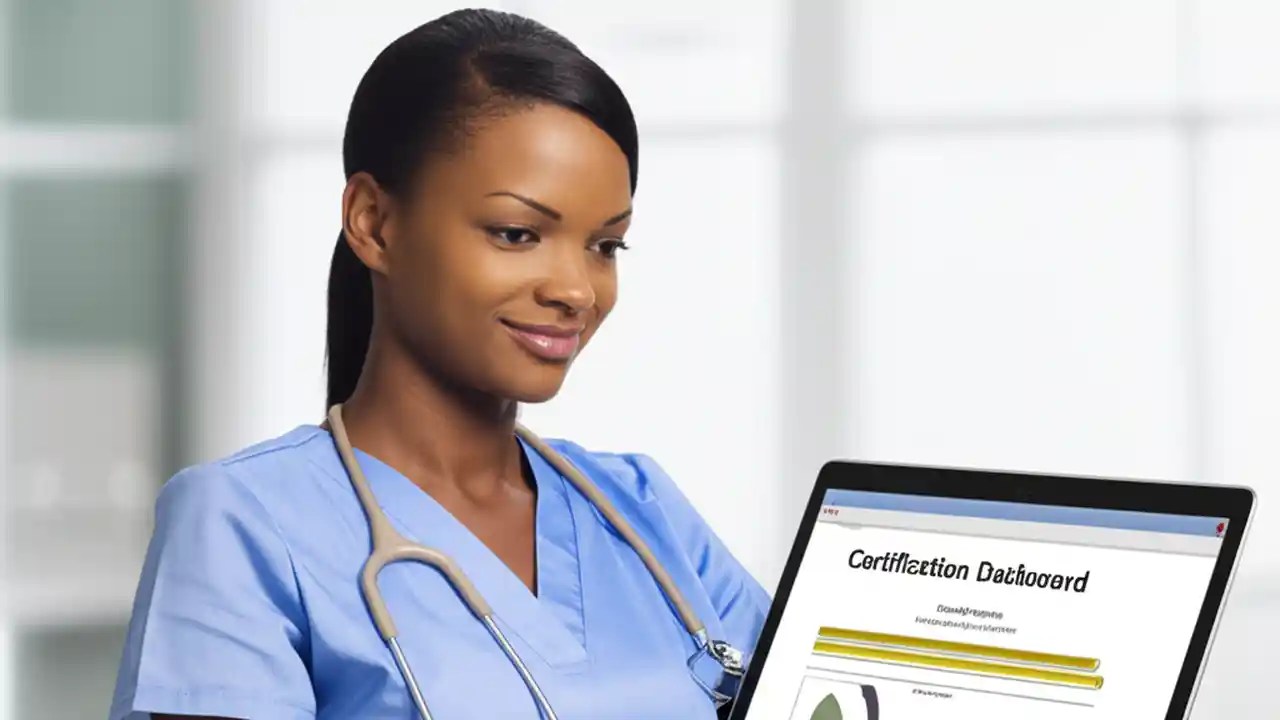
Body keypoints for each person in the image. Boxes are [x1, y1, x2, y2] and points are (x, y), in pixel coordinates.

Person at [109, 9, 771, 720]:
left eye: (605, 246)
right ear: (373, 222)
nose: (576, 290)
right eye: (517, 233)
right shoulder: (242, 524)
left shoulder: (640, 511)